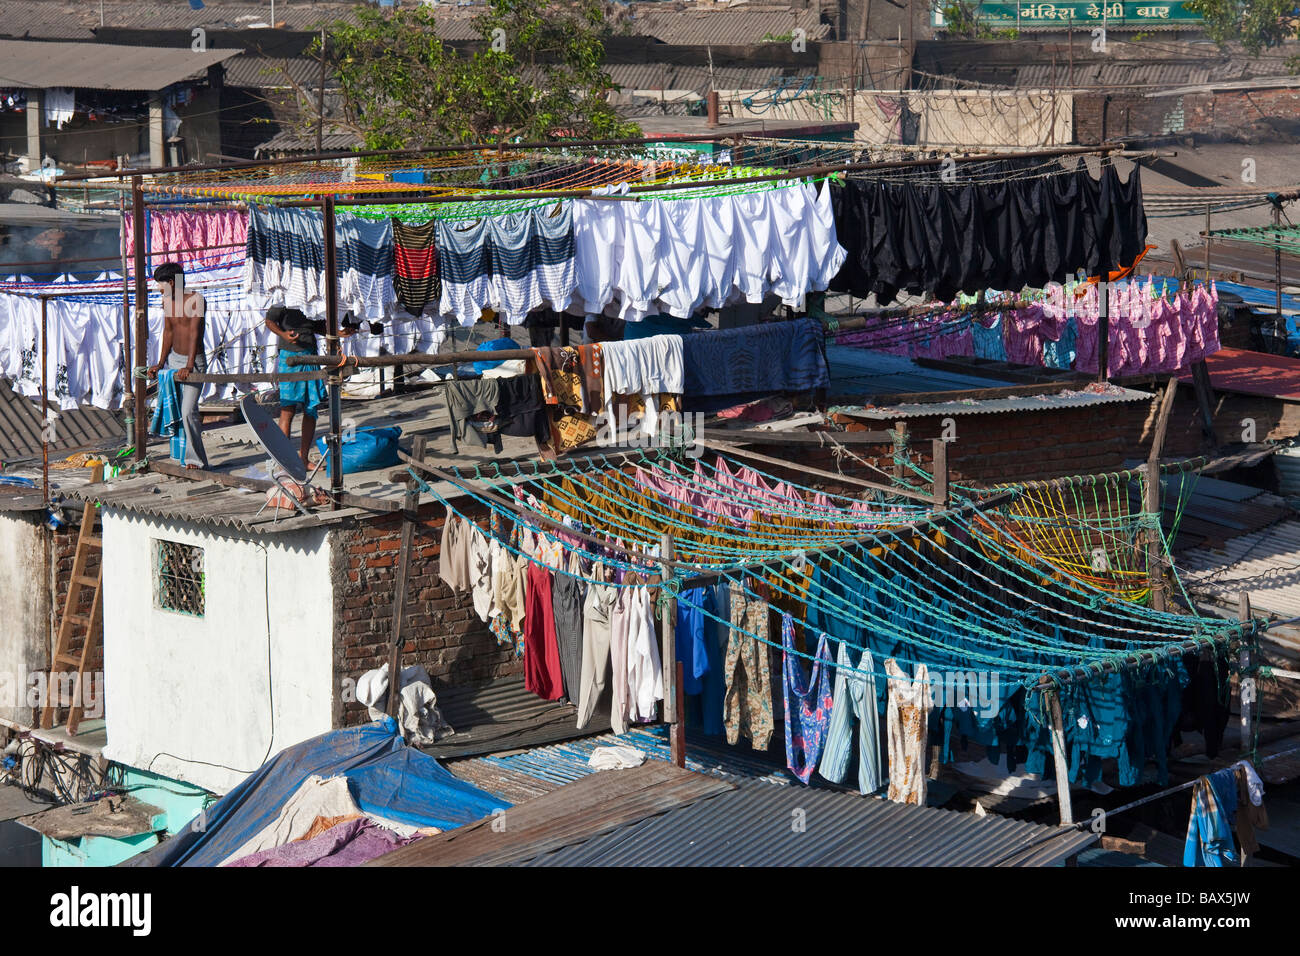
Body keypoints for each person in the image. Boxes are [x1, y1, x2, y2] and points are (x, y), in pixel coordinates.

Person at [264, 305, 357, 464]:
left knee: (310, 409)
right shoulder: (284, 294)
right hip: (289, 357)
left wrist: (337, 333)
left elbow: (318, 326)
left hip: (311, 354)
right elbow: (269, 321)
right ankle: (285, 461)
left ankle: (303, 458)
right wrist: (283, 334)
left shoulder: (315, 298)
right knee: (288, 410)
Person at [147, 262, 208, 469]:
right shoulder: (167, 302)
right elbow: (168, 332)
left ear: (172, 282)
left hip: (194, 362)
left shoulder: (196, 300)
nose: (158, 288)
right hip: (174, 361)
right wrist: (160, 362)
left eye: (160, 284)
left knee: (188, 412)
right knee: (178, 411)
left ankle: (195, 461)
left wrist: (189, 365)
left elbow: (194, 333)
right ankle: (184, 458)